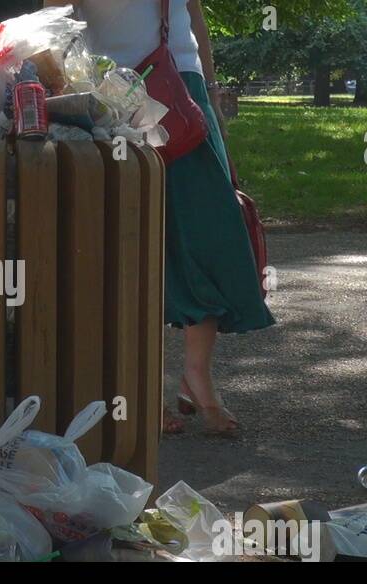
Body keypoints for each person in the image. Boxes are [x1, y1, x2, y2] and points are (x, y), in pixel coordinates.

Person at [46, 0, 275, 435]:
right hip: (108, 93)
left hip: (179, 85)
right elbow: (55, 22)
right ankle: (137, 388)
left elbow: (194, 12)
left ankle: (196, 375)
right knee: (125, 242)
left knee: (209, 232)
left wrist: (210, 92)